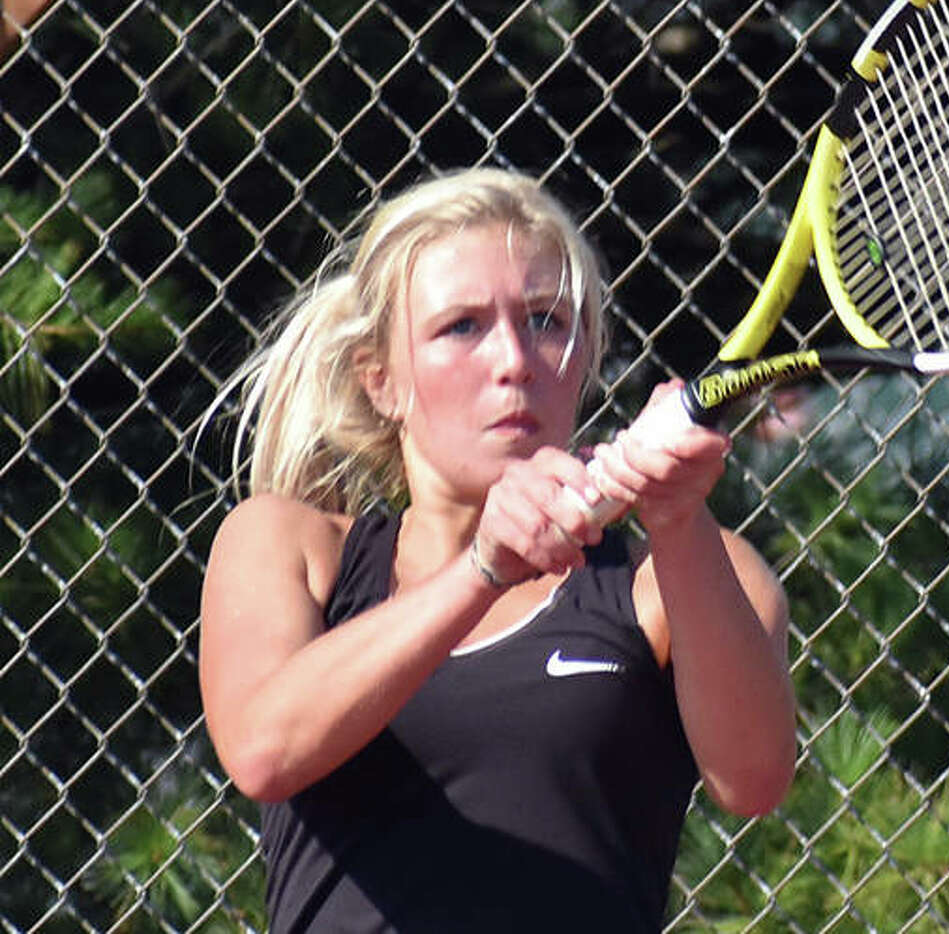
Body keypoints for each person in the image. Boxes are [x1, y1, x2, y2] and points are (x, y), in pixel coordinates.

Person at [199, 167, 796, 932]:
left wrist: (679, 518)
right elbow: (263, 750)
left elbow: (753, 779)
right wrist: (482, 569)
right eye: (462, 327)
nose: (514, 360)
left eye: (546, 320)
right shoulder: (287, 543)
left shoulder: (668, 580)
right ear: (380, 380)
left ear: (587, 355)